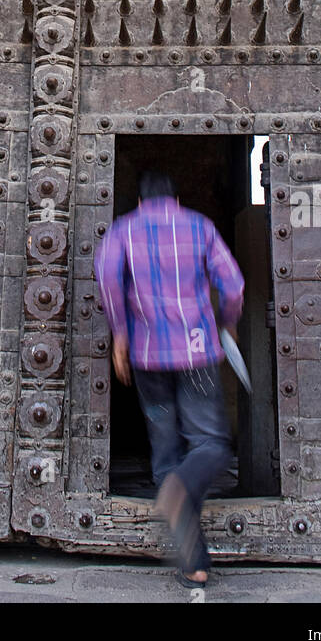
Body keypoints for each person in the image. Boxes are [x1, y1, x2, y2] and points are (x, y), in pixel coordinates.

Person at [95, 169, 244, 588]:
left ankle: (194, 560)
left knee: (165, 453)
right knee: (210, 443)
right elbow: (233, 284)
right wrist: (228, 323)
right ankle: (184, 498)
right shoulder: (200, 227)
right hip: (197, 354)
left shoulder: (123, 230)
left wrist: (120, 333)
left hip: (147, 358)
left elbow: (107, 277)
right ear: (176, 200)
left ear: (141, 202)